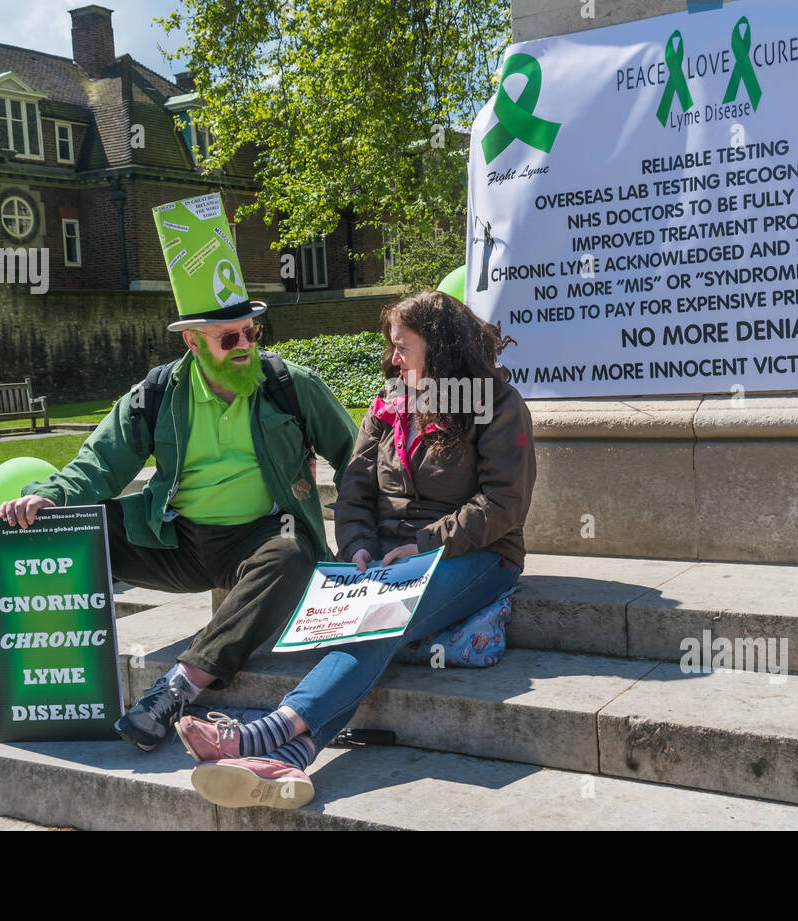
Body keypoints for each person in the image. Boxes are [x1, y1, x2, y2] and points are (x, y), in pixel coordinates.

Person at [0, 195, 359, 748]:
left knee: (295, 554)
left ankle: (175, 690)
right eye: (228, 338)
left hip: (259, 538)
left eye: (252, 332)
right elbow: (99, 464)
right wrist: (48, 498)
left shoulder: (288, 385)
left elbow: (354, 456)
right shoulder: (158, 393)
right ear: (191, 340)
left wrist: (360, 533)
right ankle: (12, 680)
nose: (245, 346)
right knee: (53, 529)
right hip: (175, 539)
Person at [177, 289, 536, 808]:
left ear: (440, 348)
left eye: (403, 347)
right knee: (370, 616)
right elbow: (356, 487)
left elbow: (504, 504)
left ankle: (260, 734)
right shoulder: (390, 400)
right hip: (388, 559)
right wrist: (359, 546)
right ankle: (293, 759)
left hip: (476, 555)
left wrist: (422, 542)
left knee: (381, 615)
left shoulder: (499, 405)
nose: (392, 358)